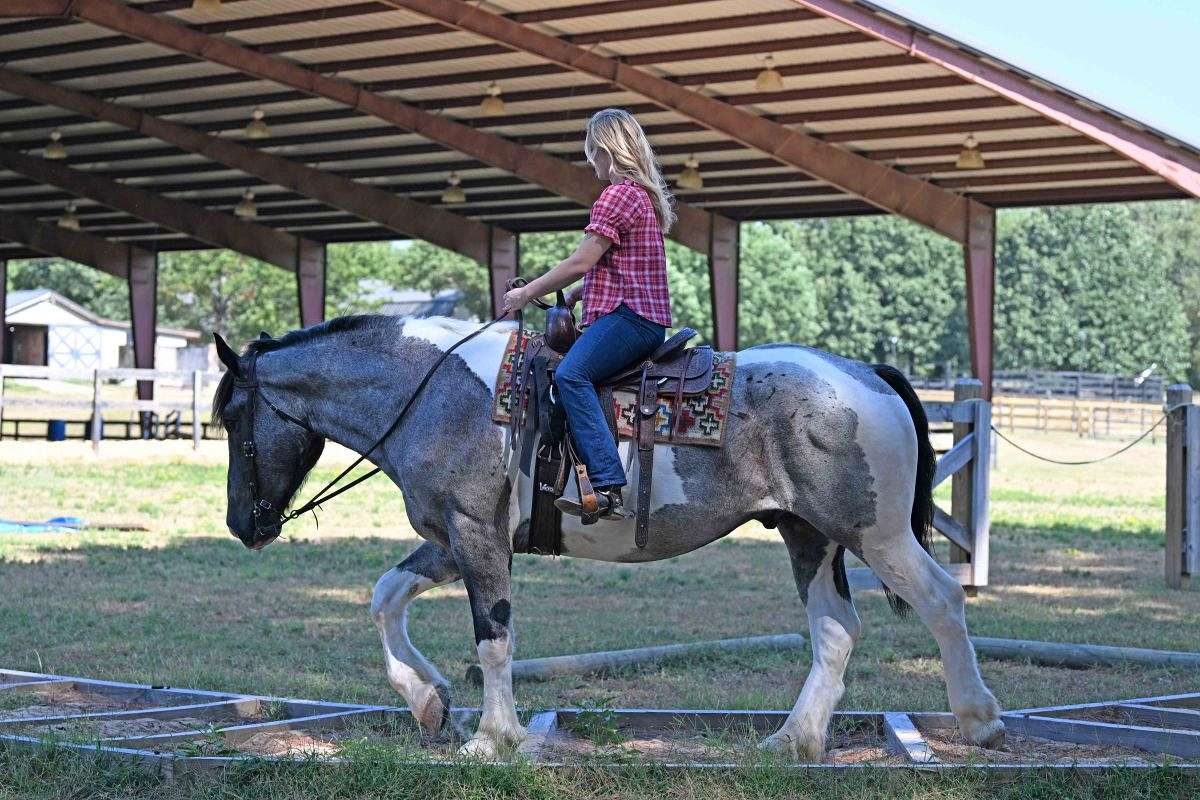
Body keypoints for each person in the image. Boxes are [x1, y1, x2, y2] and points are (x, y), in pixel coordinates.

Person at [502, 108, 674, 524]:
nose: (589, 160)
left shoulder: (617, 195)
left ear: (605, 149)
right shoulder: (641, 196)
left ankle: (607, 484)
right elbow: (617, 266)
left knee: (571, 375)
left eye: (592, 150)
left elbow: (582, 260)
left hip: (629, 319)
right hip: (639, 315)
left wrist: (526, 292)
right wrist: (582, 293)